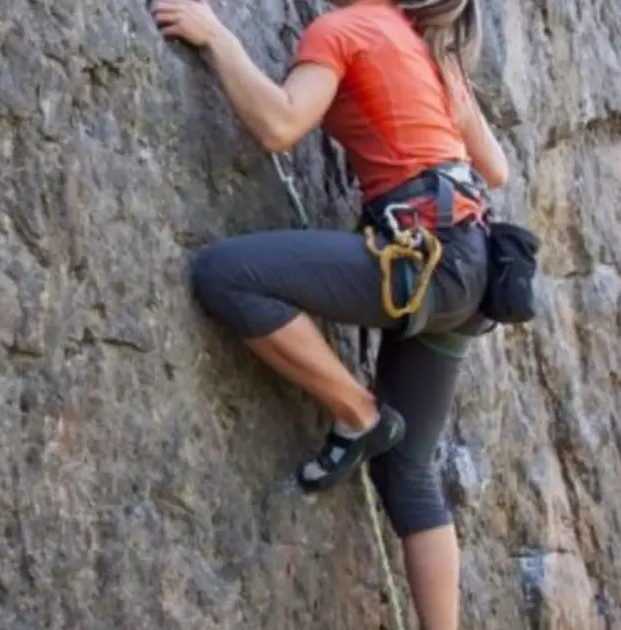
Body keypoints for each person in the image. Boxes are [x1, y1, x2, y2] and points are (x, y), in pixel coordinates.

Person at [150, 0, 508, 628]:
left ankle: (358, 411)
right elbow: (496, 169)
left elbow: (280, 124)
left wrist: (216, 36)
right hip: (469, 269)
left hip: (424, 260)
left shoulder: (344, 28)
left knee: (227, 275)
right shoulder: (429, 50)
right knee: (409, 473)